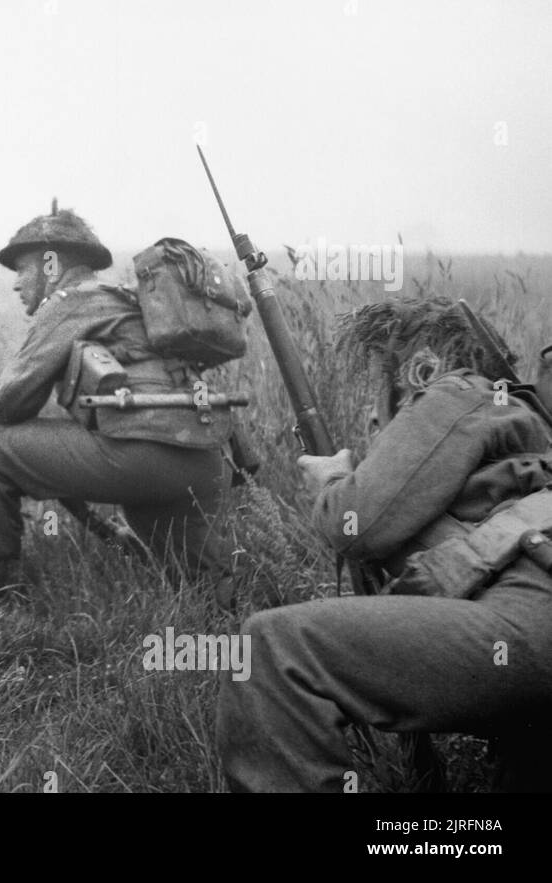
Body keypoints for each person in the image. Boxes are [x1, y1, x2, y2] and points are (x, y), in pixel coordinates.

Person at [216, 297, 552, 791]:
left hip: (532, 614)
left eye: (384, 376)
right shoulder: (521, 421)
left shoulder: (459, 391)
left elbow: (358, 522)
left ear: (419, 367)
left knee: (270, 648)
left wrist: (332, 480)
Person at [0, 201, 235, 607]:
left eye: (22, 270)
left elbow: (11, 400)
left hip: (144, 458)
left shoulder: (69, 301)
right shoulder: (123, 300)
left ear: (50, 264)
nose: (16, 284)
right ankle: (223, 625)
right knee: (201, 594)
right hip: (204, 460)